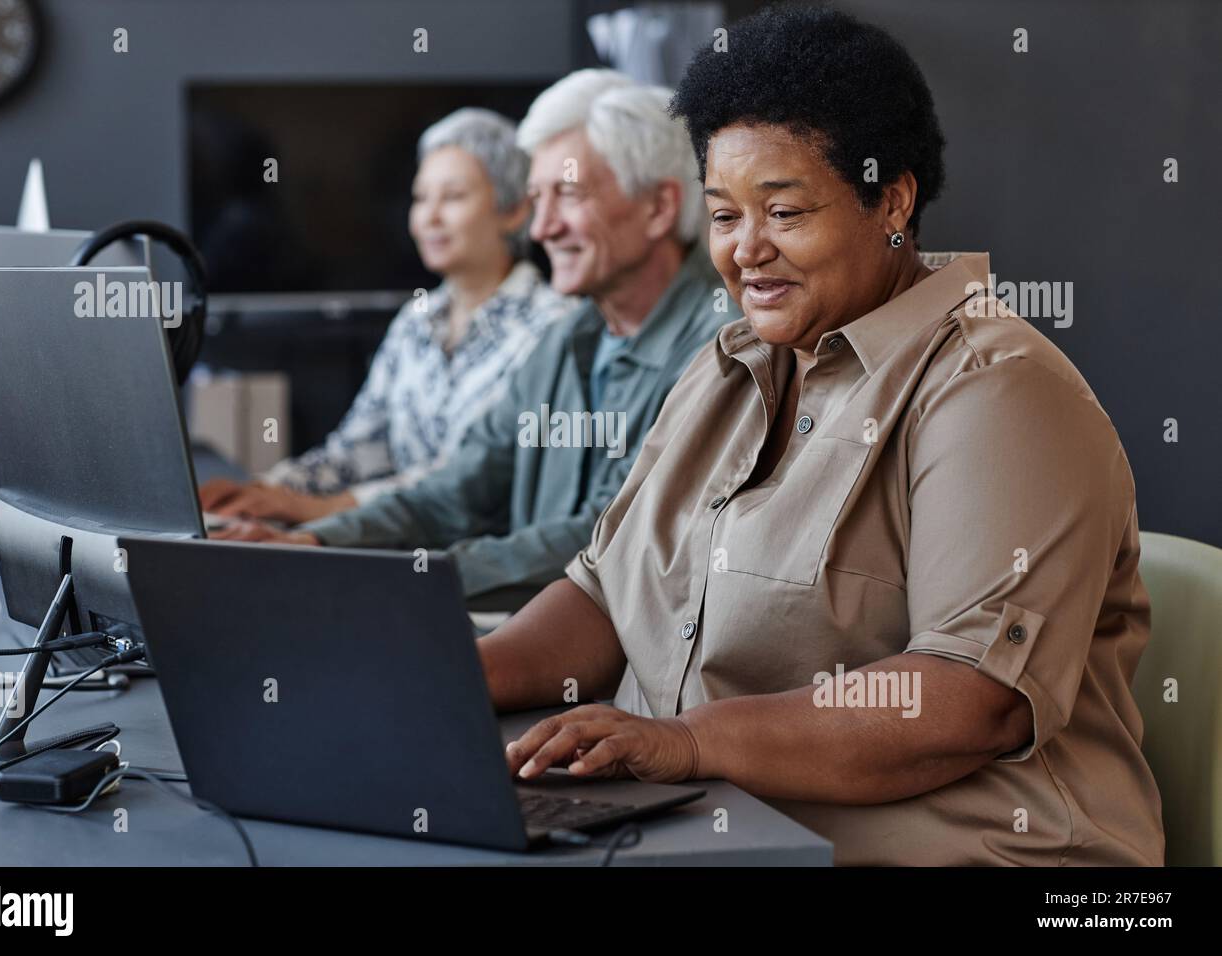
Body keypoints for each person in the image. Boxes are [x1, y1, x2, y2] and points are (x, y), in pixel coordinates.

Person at [484, 5, 1164, 866]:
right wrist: (457, 678)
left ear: (893, 200)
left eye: (786, 212)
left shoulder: (994, 389)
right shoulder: (728, 368)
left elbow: (968, 699)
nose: (746, 251)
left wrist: (689, 743)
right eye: (725, 216)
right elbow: (604, 596)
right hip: (716, 833)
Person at [215, 70, 729, 601]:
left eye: (568, 195)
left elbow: (602, 535)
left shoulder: (718, 345)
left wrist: (397, 577)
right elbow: (460, 487)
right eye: (537, 197)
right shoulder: (572, 335)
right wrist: (318, 541)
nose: (541, 228)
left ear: (659, 207)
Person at [200, 108, 576, 524]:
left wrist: (321, 509)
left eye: (452, 197)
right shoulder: (416, 319)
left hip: (478, 568)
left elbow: (469, 485)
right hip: (383, 541)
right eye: (420, 198)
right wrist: (267, 489)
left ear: (514, 210)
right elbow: (360, 448)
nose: (429, 218)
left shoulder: (554, 326)